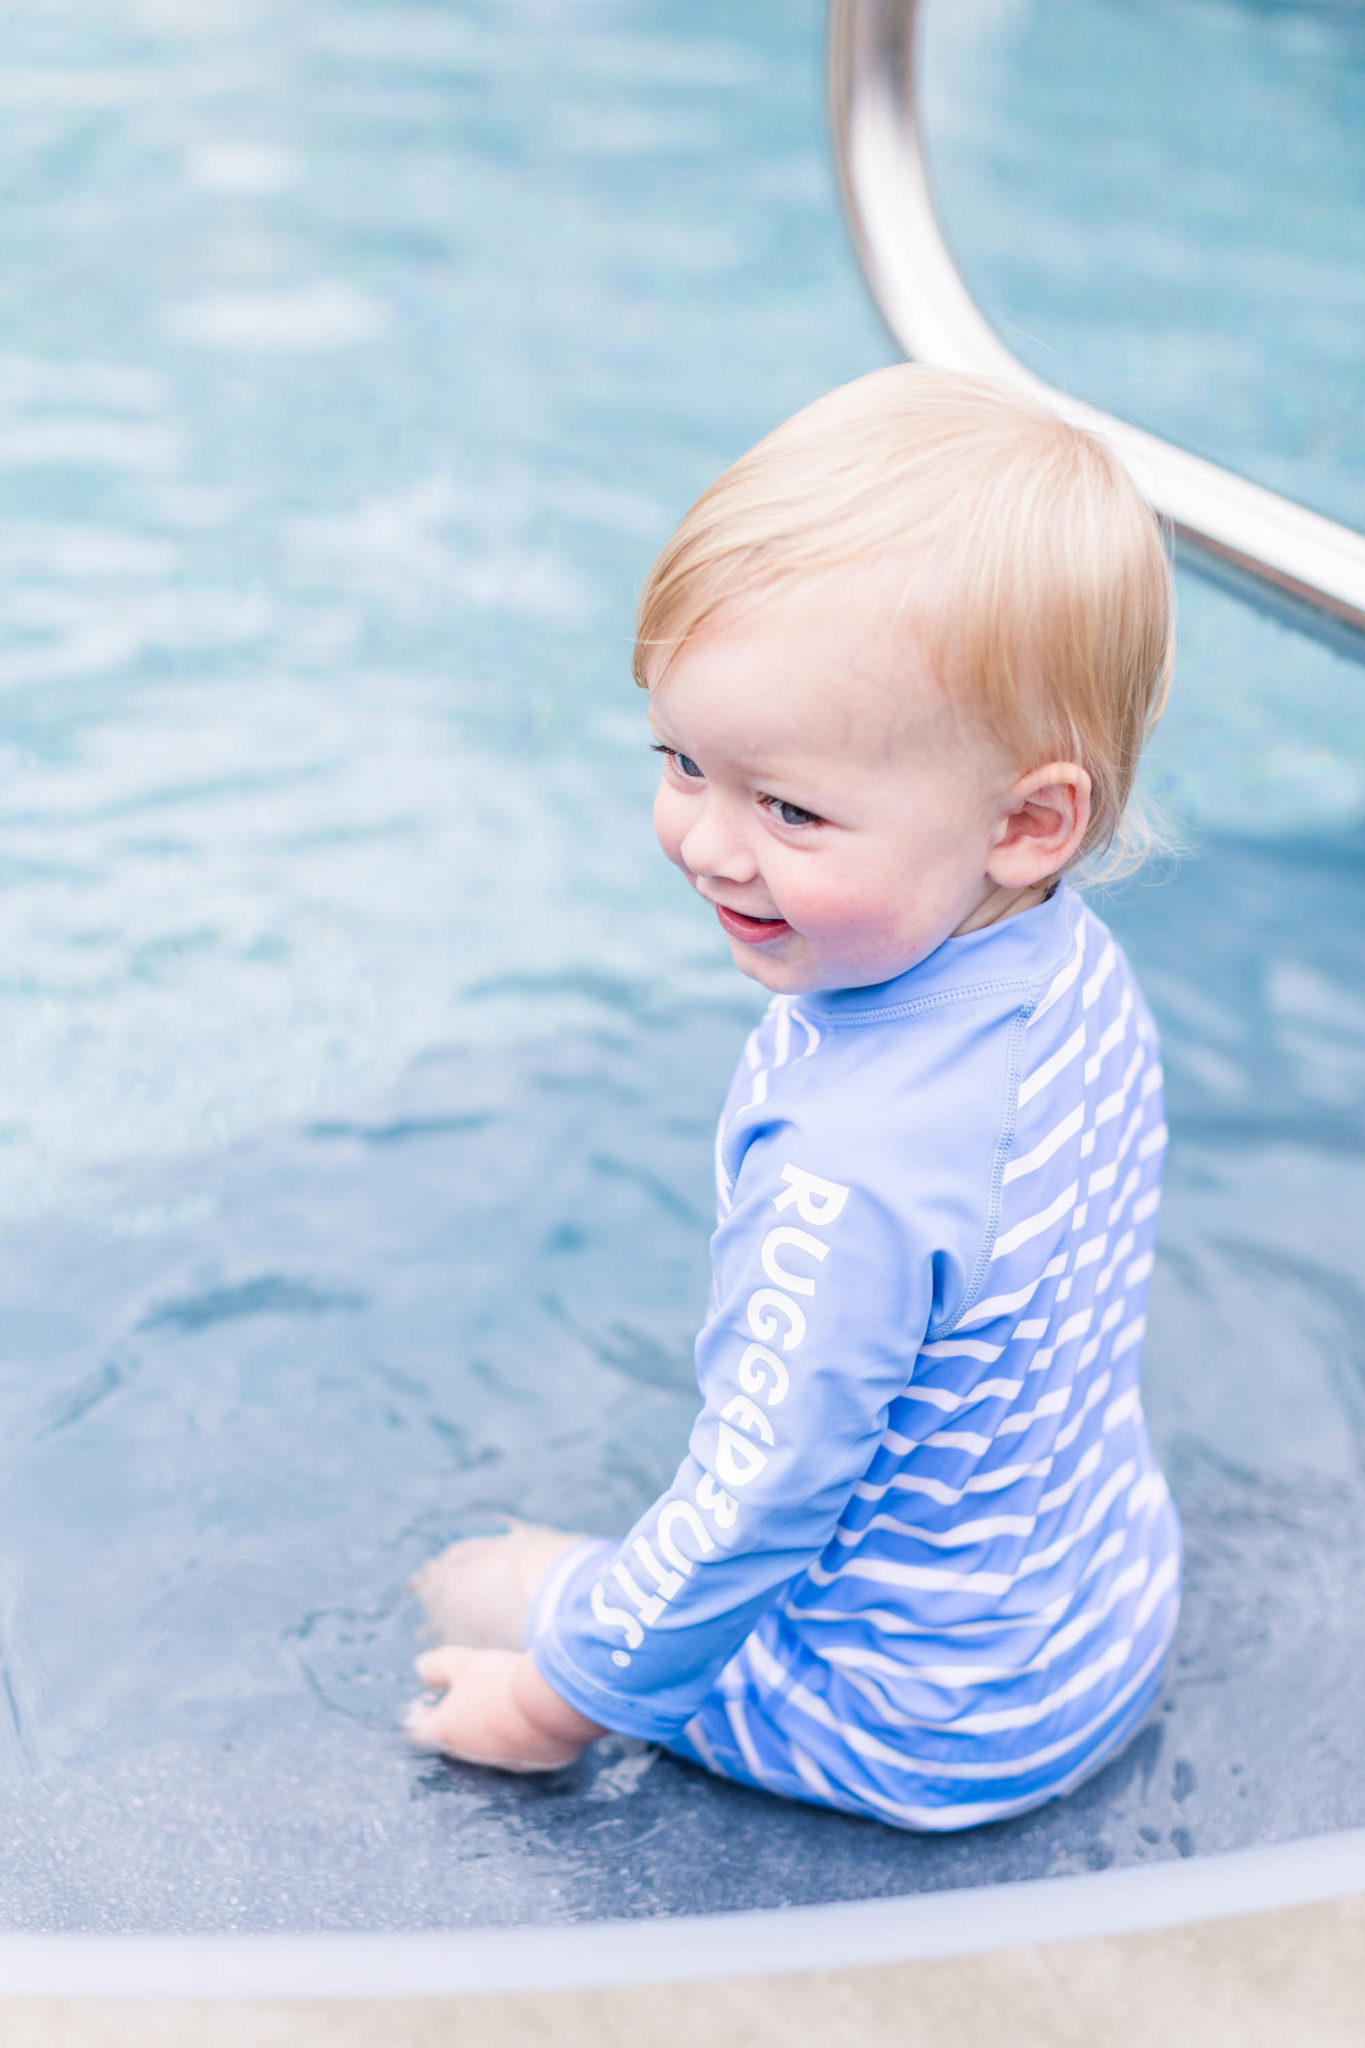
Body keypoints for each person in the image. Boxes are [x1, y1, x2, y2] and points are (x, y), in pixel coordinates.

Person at [403, 365, 1181, 1830]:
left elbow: (753, 1507)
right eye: (683, 762)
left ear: (1027, 820)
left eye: (790, 807)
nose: (707, 844)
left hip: (912, 1724)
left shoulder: (848, 1160)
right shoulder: (1069, 968)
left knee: (477, 1582)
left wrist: (555, 1700)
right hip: (1097, 1616)